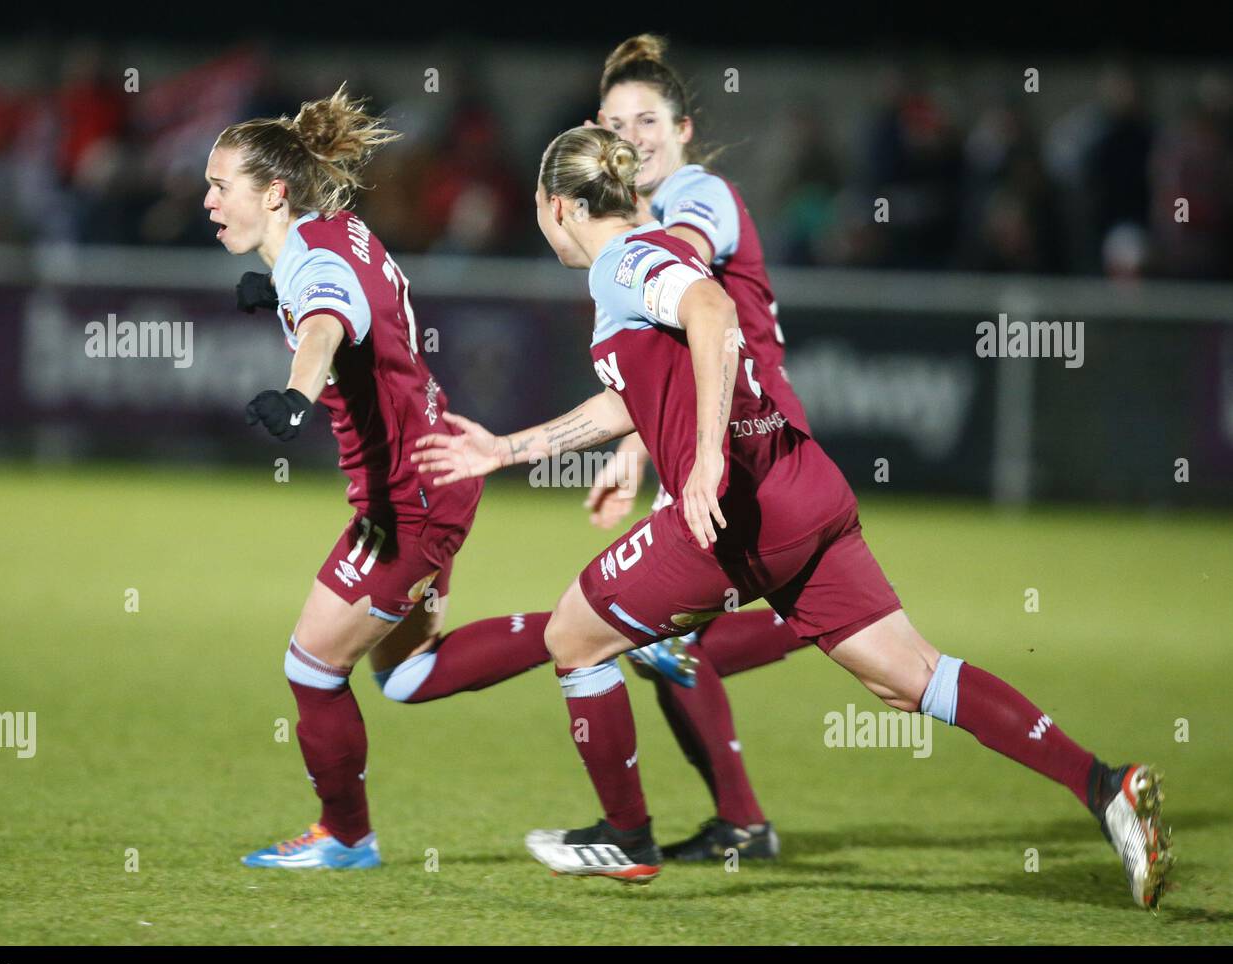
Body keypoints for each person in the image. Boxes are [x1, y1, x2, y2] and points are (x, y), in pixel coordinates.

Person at [411, 126, 1172, 910]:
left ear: (559, 205)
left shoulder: (620, 261)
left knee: (573, 634)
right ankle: (1106, 786)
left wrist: (705, 455)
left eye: (538, 207)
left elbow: (712, 310)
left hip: (737, 513)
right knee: (914, 679)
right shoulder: (641, 255)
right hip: (804, 489)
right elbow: (629, 396)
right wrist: (508, 448)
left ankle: (626, 833)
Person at [206, 86, 559, 869]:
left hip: (408, 502)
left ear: (273, 192)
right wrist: (277, 290)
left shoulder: (309, 266)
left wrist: (298, 392)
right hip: (438, 472)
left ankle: (346, 837)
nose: (206, 200)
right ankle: (594, 631)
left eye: (219, 186)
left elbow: (328, 319)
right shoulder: (336, 230)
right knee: (407, 673)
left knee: (309, 664)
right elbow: (359, 303)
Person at [582, 33, 817, 861]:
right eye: (615, 122)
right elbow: (668, 368)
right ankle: (742, 822)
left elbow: (699, 300)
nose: (633, 134)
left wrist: (614, 259)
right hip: (723, 448)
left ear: (683, 129)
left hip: (750, 449)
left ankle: (731, 822)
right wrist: (636, 450)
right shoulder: (638, 229)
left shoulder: (695, 195)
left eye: (649, 118)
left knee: (641, 636)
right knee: (655, 642)